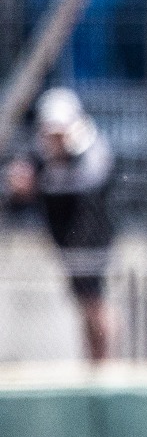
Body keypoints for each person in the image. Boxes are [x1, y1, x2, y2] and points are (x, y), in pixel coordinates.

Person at [5, 87, 118, 361]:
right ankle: (94, 362)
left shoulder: (91, 151)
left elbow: (89, 183)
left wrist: (41, 179)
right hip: (65, 241)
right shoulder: (39, 153)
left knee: (95, 302)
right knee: (84, 304)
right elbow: (20, 190)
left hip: (92, 240)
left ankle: (105, 362)